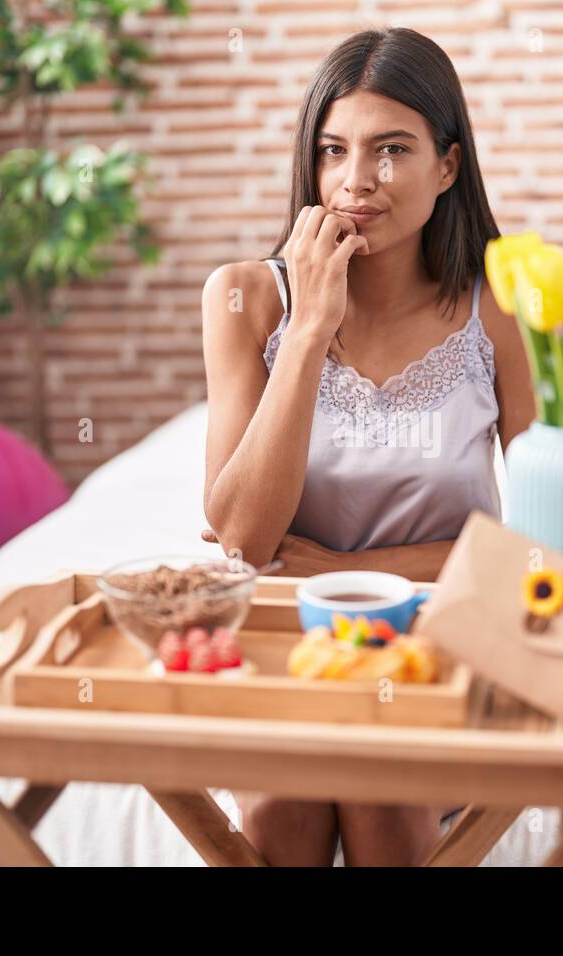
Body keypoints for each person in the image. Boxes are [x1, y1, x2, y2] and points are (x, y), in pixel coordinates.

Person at [199, 27, 535, 865]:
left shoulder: (500, 304)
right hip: (284, 642)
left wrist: (332, 574)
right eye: (333, 150)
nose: (356, 181)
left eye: (392, 150)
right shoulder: (245, 297)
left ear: (447, 166)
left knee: (386, 797)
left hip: (444, 637)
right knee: (285, 802)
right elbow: (242, 538)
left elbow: (540, 554)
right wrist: (310, 328)